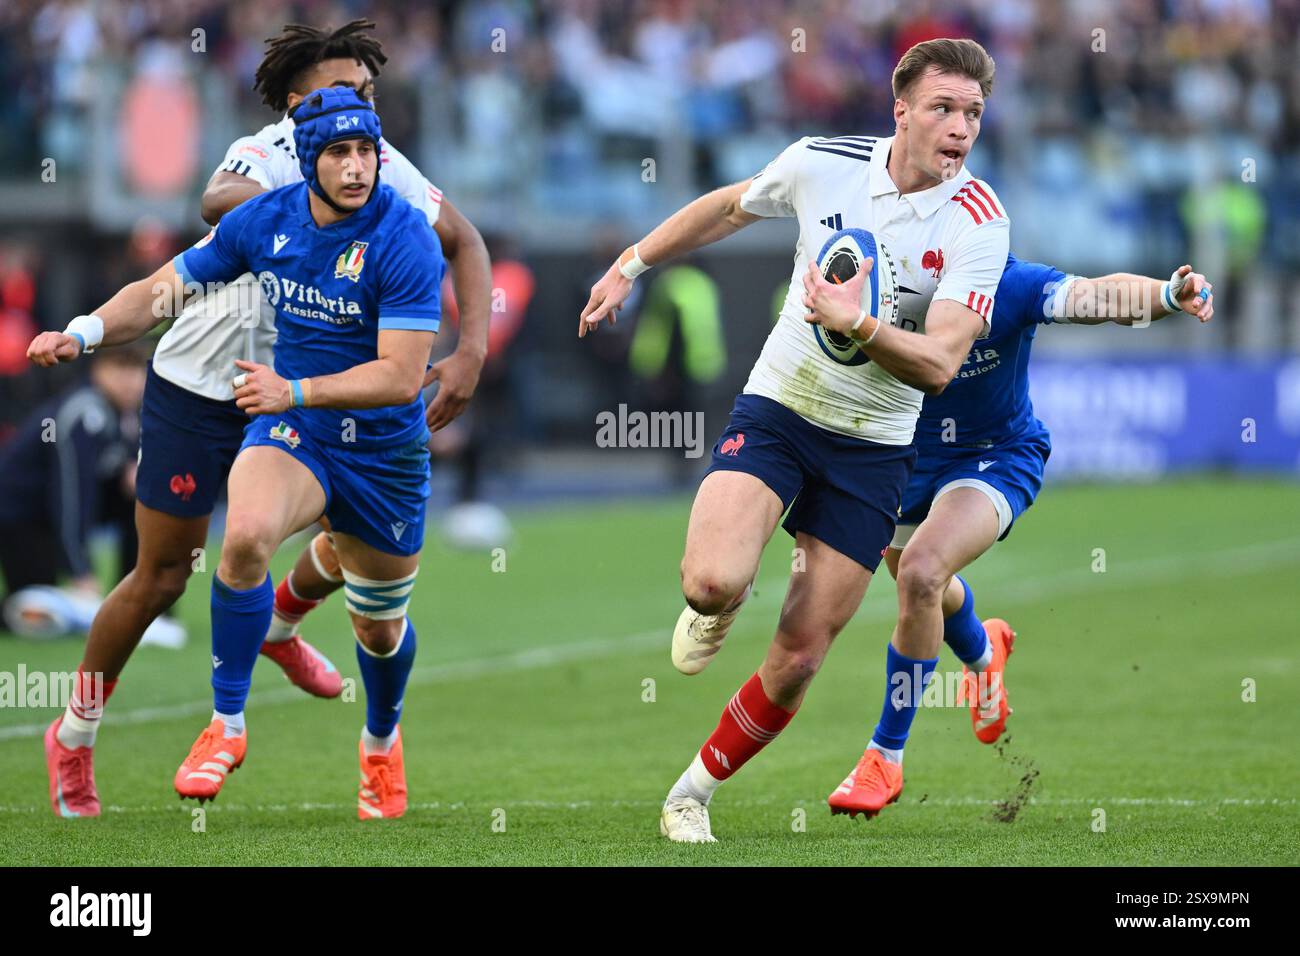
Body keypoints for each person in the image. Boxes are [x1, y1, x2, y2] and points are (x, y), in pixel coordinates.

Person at [33, 19, 490, 819]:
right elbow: (213, 204)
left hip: (305, 393)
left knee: (357, 572)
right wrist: (85, 332)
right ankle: (75, 733)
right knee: (164, 575)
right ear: (296, 107)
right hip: (200, 383)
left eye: (367, 102)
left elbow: (465, 242)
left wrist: (472, 351)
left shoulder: (378, 174)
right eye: (341, 99)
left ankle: (286, 630)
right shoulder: (269, 155)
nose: (358, 112)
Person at [580, 38, 1009, 843]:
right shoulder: (823, 161)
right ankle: (721, 601)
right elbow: (729, 206)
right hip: (781, 410)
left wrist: (861, 323)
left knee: (800, 656)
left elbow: (941, 365)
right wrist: (629, 266)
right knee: (709, 582)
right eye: (943, 109)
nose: (960, 128)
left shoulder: (980, 221)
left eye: (974, 114)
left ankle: (689, 796)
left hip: (875, 449)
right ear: (901, 112)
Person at [809, 253, 1213, 817]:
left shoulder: (1008, 281)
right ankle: (983, 651)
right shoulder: (883, 279)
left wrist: (1166, 297)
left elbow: (1095, 296)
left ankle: (885, 755)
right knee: (922, 584)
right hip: (901, 458)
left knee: (923, 572)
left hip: (994, 458)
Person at [0, 345, 182, 646]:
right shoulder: (82, 413)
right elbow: (70, 495)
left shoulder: (131, 411)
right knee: (33, 606)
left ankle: (143, 598)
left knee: (147, 495)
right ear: (98, 371)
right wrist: (80, 570)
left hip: (54, 511)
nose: (129, 381)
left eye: (136, 371)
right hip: (22, 517)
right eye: (119, 370)